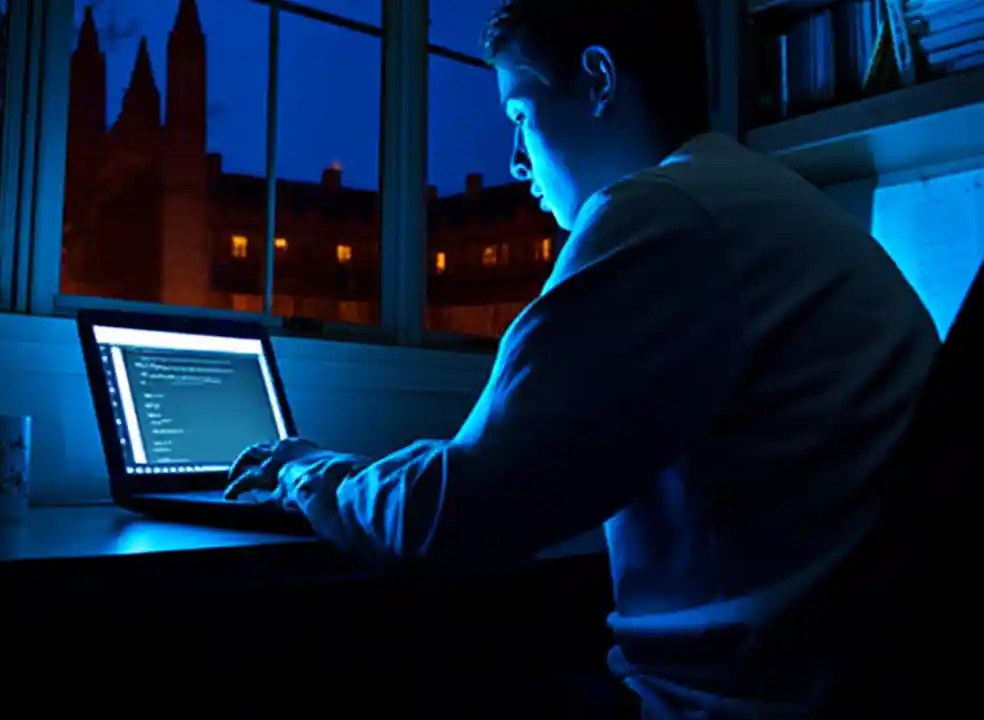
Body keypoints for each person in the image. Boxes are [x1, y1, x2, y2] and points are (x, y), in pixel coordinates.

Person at [225, 0, 941, 716]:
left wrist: (304, 473)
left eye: (518, 115)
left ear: (599, 79)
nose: (513, 158)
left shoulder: (663, 213)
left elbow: (453, 515)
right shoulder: (761, 201)